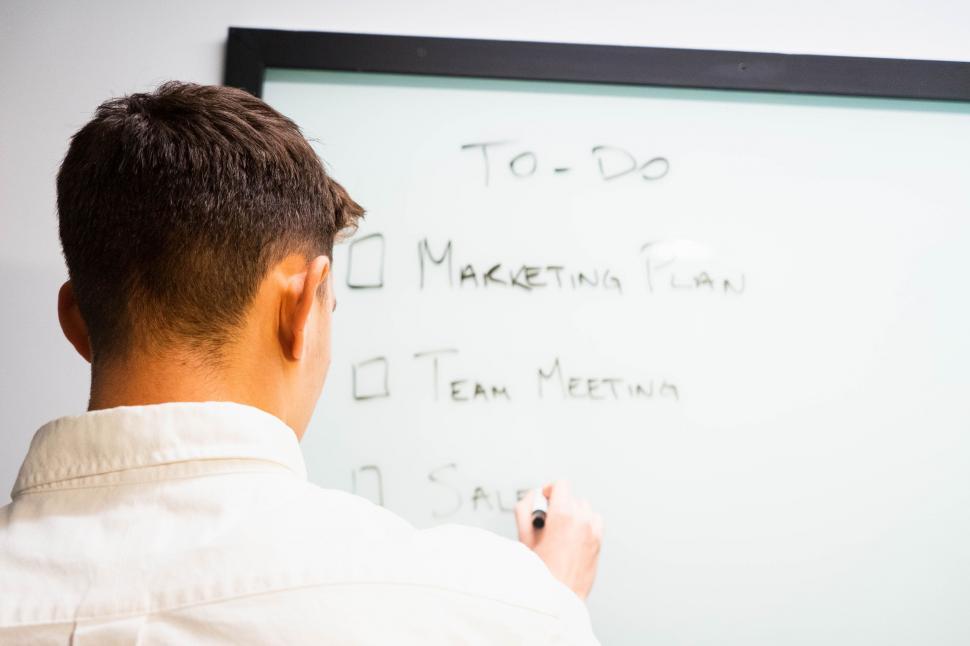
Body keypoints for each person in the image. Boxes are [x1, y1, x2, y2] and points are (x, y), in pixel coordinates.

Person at [0, 81, 603, 644]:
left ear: (76, 321)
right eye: (330, 305)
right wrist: (551, 603)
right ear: (300, 308)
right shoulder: (487, 608)